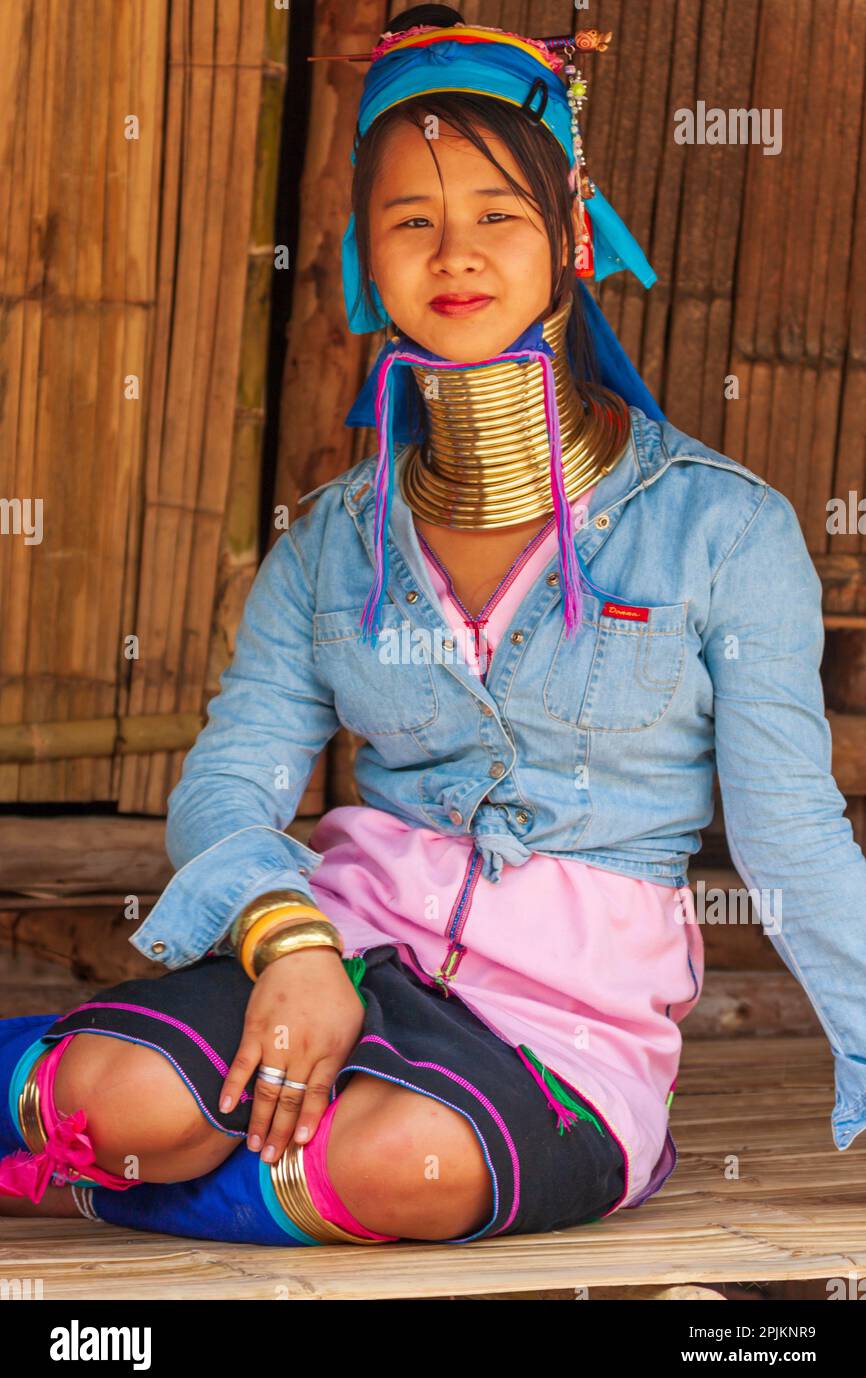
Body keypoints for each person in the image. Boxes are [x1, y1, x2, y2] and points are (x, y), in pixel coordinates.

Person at [3, 6, 865, 1249]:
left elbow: (790, 837)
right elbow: (227, 786)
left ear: (571, 233)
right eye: (410, 219)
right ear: (366, 253)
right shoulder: (328, 545)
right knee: (124, 1098)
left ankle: (93, 1165)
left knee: (400, 1161)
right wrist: (289, 940)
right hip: (336, 953)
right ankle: (118, 1119)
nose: (453, 253)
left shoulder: (721, 532)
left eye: (496, 216)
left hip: (562, 1028)